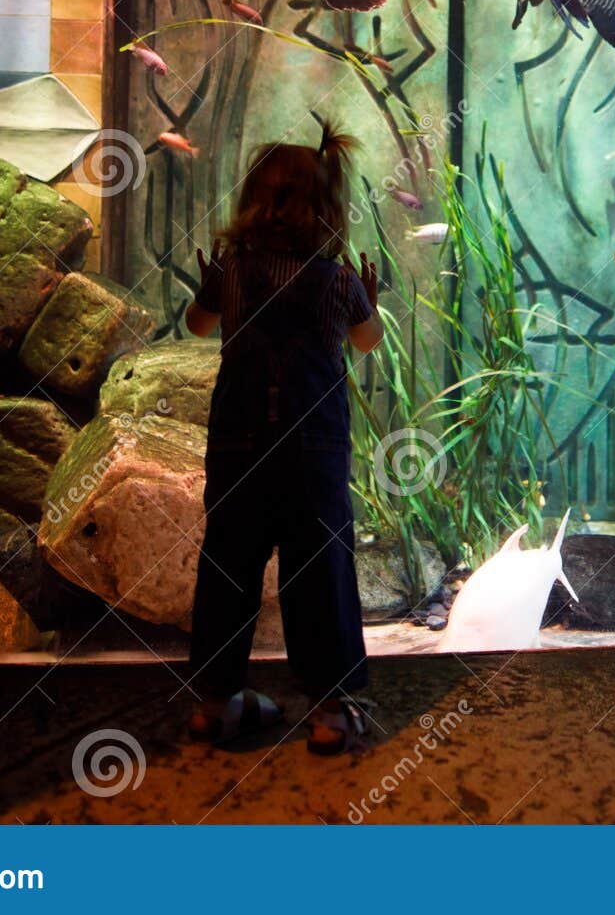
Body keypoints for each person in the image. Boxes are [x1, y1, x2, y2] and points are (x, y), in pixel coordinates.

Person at [183, 119, 384, 753]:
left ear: (251, 202)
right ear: (327, 206)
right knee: (319, 568)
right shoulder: (338, 281)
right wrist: (369, 300)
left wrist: (208, 282)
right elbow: (366, 340)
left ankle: (215, 705)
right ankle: (330, 713)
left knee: (229, 564)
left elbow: (196, 325)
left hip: (239, 445)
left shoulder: (232, 272)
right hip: (312, 450)